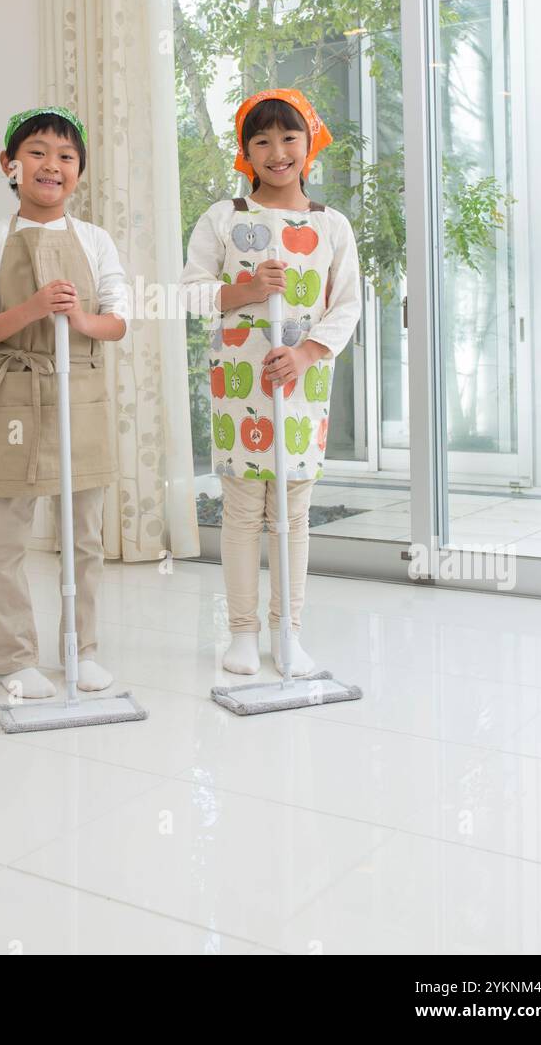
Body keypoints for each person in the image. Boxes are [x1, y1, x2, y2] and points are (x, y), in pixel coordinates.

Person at [180, 89, 362, 677]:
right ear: (245, 151)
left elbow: (347, 305)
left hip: (301, 387)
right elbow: (191, 293)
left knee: (294, 512)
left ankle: (288, 632)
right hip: (240, 384)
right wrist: (250, 291)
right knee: (239, 510)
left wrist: (307, 353)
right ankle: (240, 633)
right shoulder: (224, 219)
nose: (277, 151)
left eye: (289, 138)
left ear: (311, 144)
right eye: (261, 140)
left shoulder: (331, 226)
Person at [0, 107, 129, 699]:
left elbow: (118, 322)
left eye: (65, 156)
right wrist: (31, 309)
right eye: (36, 152)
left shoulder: (95, 240)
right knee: (7, 533)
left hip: (80, 393)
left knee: (84, 533)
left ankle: (79, 647)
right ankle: (13, 659)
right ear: (9, 165)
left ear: (79, 172)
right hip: (15, 397)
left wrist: (79, 317)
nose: (50, 165)